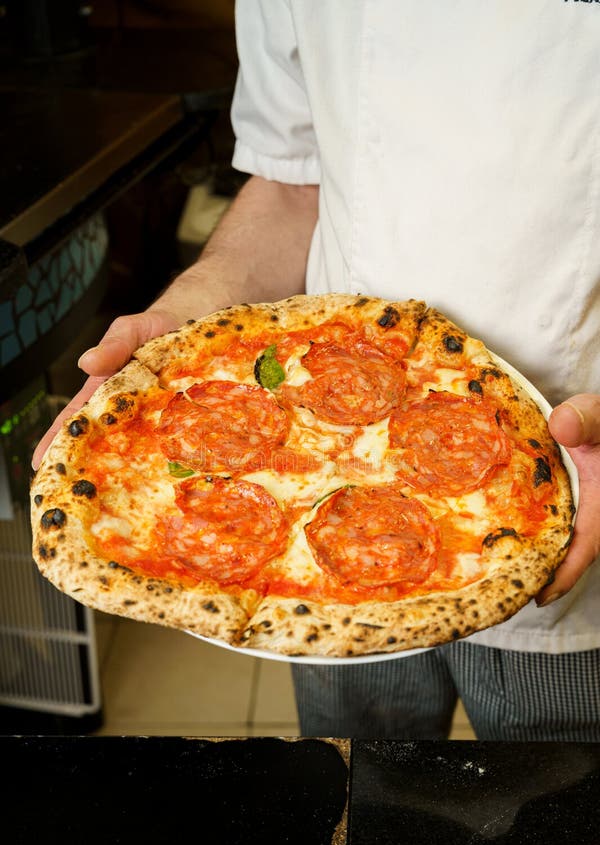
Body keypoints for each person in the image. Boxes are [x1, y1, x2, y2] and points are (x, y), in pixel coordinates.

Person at [33, 1, 600, 741]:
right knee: (351, 789)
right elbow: (291, 184)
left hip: (572, 461)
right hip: (315, 553)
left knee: (555, 812)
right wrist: (180, 319)